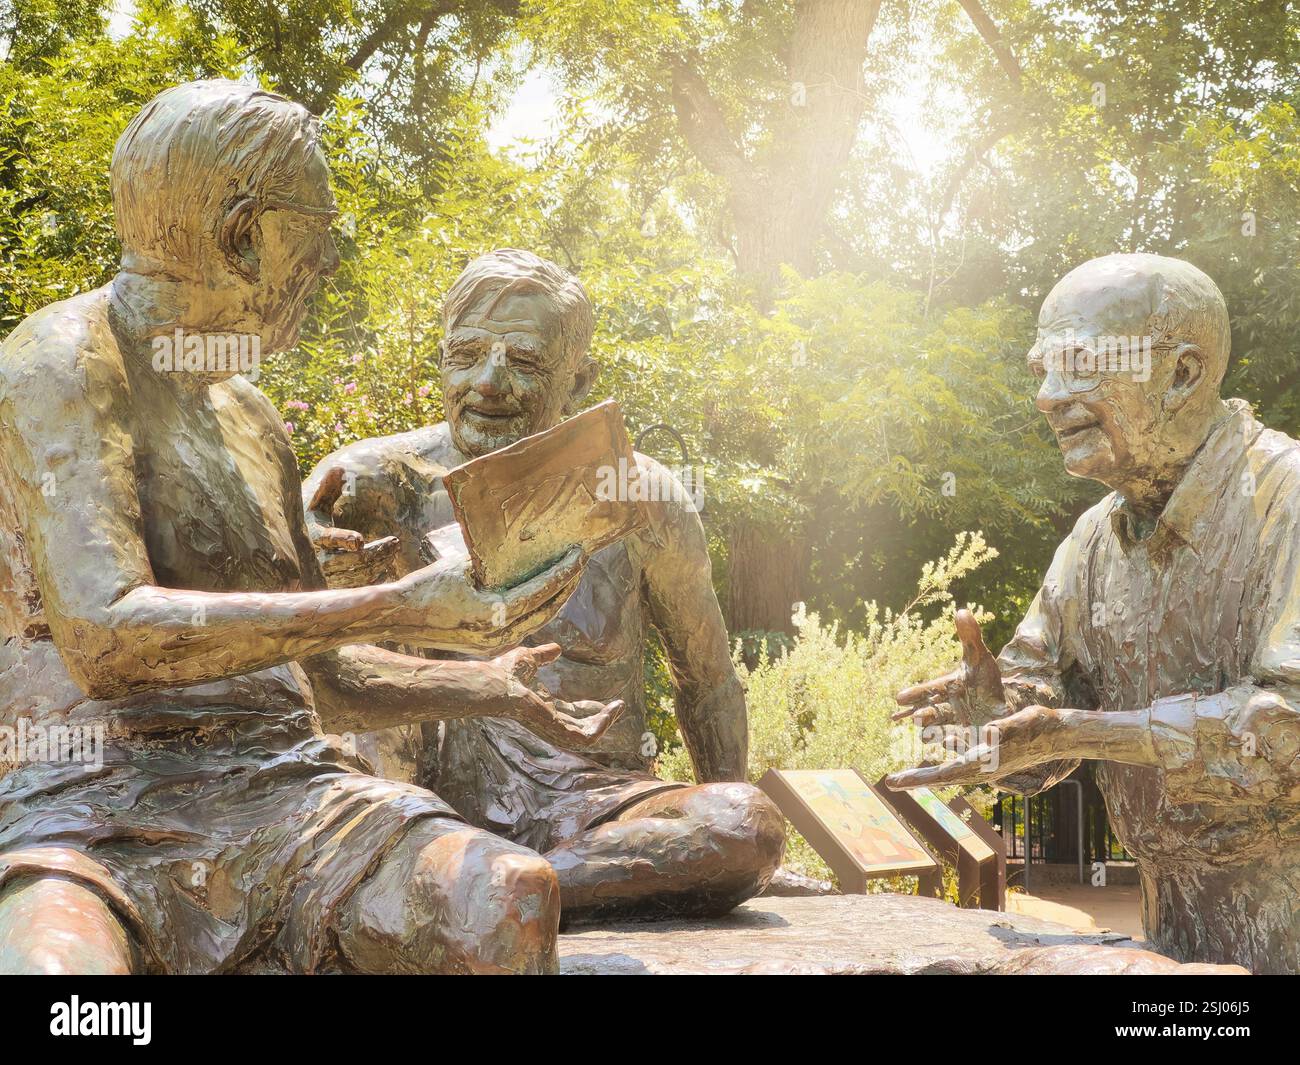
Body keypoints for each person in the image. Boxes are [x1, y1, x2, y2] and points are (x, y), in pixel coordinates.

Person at [0, 81, 620, 975]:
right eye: (314, 230)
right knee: (65, 996)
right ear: (246, 232)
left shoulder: (252, 416)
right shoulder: (61, 361)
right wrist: (401, 602)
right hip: (94, 811)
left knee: (507, 901)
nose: (326, 263)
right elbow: (106, 638)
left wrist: (487, 686)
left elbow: (316, 675)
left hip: (294, 803)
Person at [303, 249, 784, 922]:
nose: (489, 382)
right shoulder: (369, 488)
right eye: (466, 354)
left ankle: (507, 890)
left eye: (523, 361)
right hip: (421, 814)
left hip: (591, 813)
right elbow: (297, 675)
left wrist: (734, 850)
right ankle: (481, 885)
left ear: (578, 378)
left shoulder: (640, 498)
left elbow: (705, 679)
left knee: (744, 822)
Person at [890, 253, 1300, 973]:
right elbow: (1045, 712)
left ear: (1181, 373)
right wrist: (997, 715)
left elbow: (1285, 729)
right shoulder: (1090, 543)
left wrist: (1078, 729)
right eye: (1041, 369)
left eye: (1078, 364)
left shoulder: (1286, 504)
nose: (1048, 397)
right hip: (1171, 942)